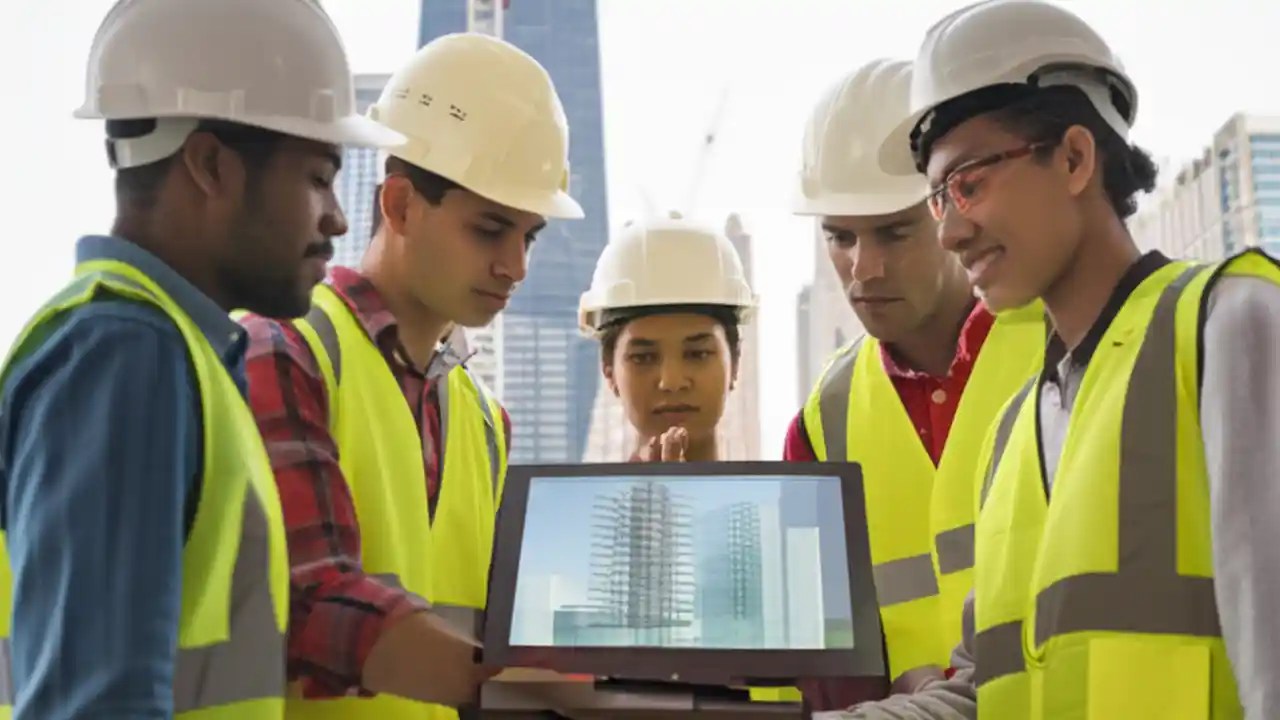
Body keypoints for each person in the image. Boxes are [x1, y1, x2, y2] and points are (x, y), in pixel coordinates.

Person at [827, 1, 1280, 718]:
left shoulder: (1228, 326)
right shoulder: (1015, 434)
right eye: (939, 199)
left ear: (1074, 158)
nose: (949, 232)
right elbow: (982, 692)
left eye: (968, 182)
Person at [0, 1, 405, 719]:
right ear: (211, 166)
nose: (338, 217)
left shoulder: (177, 356)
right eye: (318, 177)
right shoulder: (126, 357)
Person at [238, 32, 583, 720]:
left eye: (529, 236)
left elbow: (492, 629)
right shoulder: (284, 351)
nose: (516, 265)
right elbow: (311, 601)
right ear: (398, 206)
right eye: (490, 229)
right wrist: (546, 687)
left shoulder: (486, 423)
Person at [772, 58, 1047, 712]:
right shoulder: (825, 420)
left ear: (954, 209)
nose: (862, 268)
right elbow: (817, 657)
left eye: (894, 233)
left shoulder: (1063, 345)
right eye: (839, 237)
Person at [577, 213, 757, 462]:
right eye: (643, 358)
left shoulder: (786, 488)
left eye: (698, 354)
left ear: (735, 363)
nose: (672, 382)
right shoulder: (559, 491)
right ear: (609, 371)